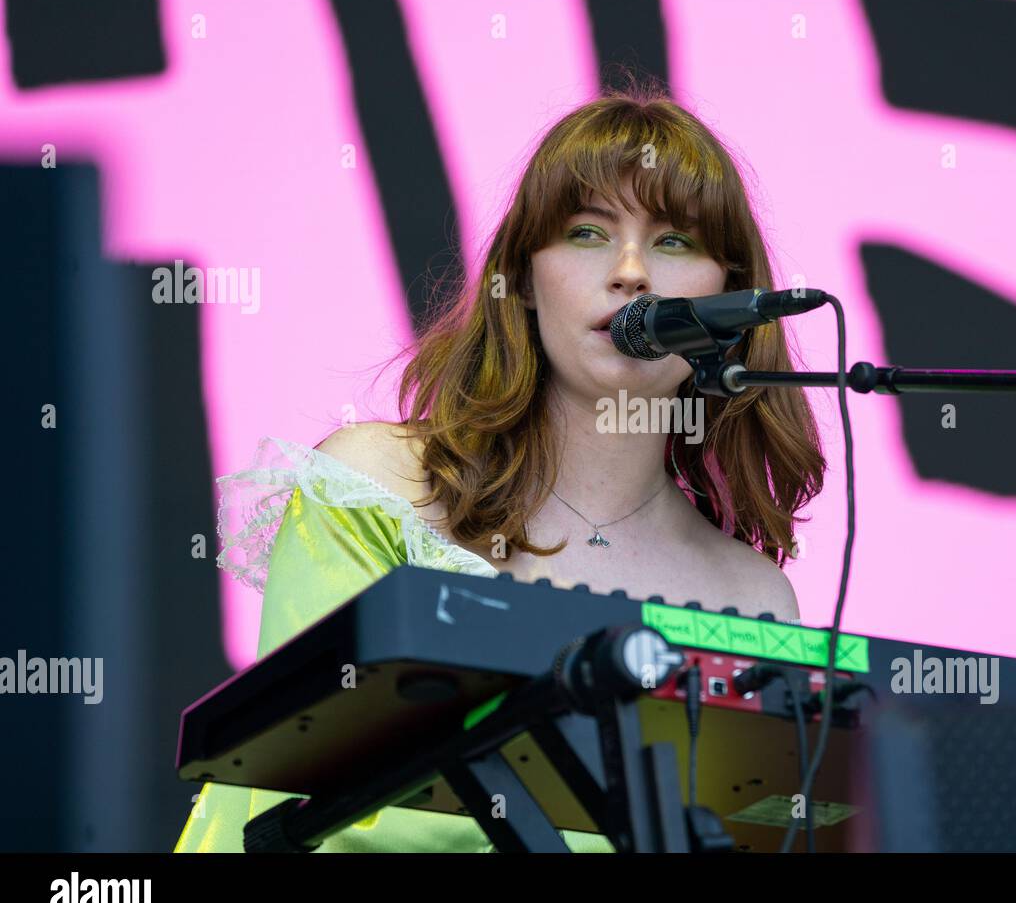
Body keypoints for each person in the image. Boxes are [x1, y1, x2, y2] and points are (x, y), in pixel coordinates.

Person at [174, 79, 826, 853]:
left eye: (675, 241)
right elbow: (310, 803)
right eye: (587, 233)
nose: (631, 273)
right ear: (520, 282)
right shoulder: (377, 486)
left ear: (731, 299)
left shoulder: (752, 597)